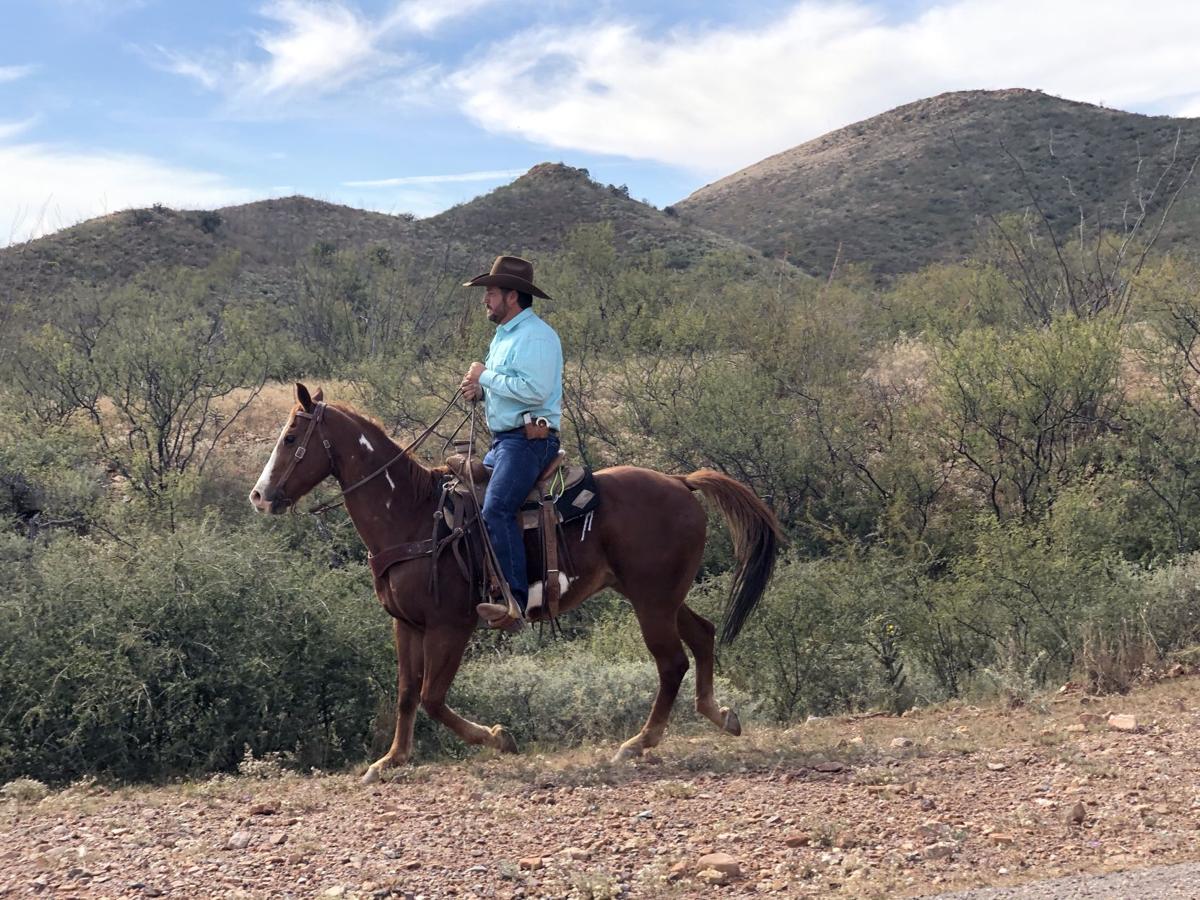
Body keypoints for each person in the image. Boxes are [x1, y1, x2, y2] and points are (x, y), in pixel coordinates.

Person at [459, 255, 563, 627]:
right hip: (506, 441)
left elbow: (535, 391)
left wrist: (485, 377)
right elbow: (513, 388)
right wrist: (481, 391)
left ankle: (513, 601)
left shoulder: (535, 336)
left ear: (512, 296)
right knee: (462, 499)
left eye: (491, 292)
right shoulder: (505, 337)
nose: (485, 299)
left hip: (530, 442)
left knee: (497, 508)